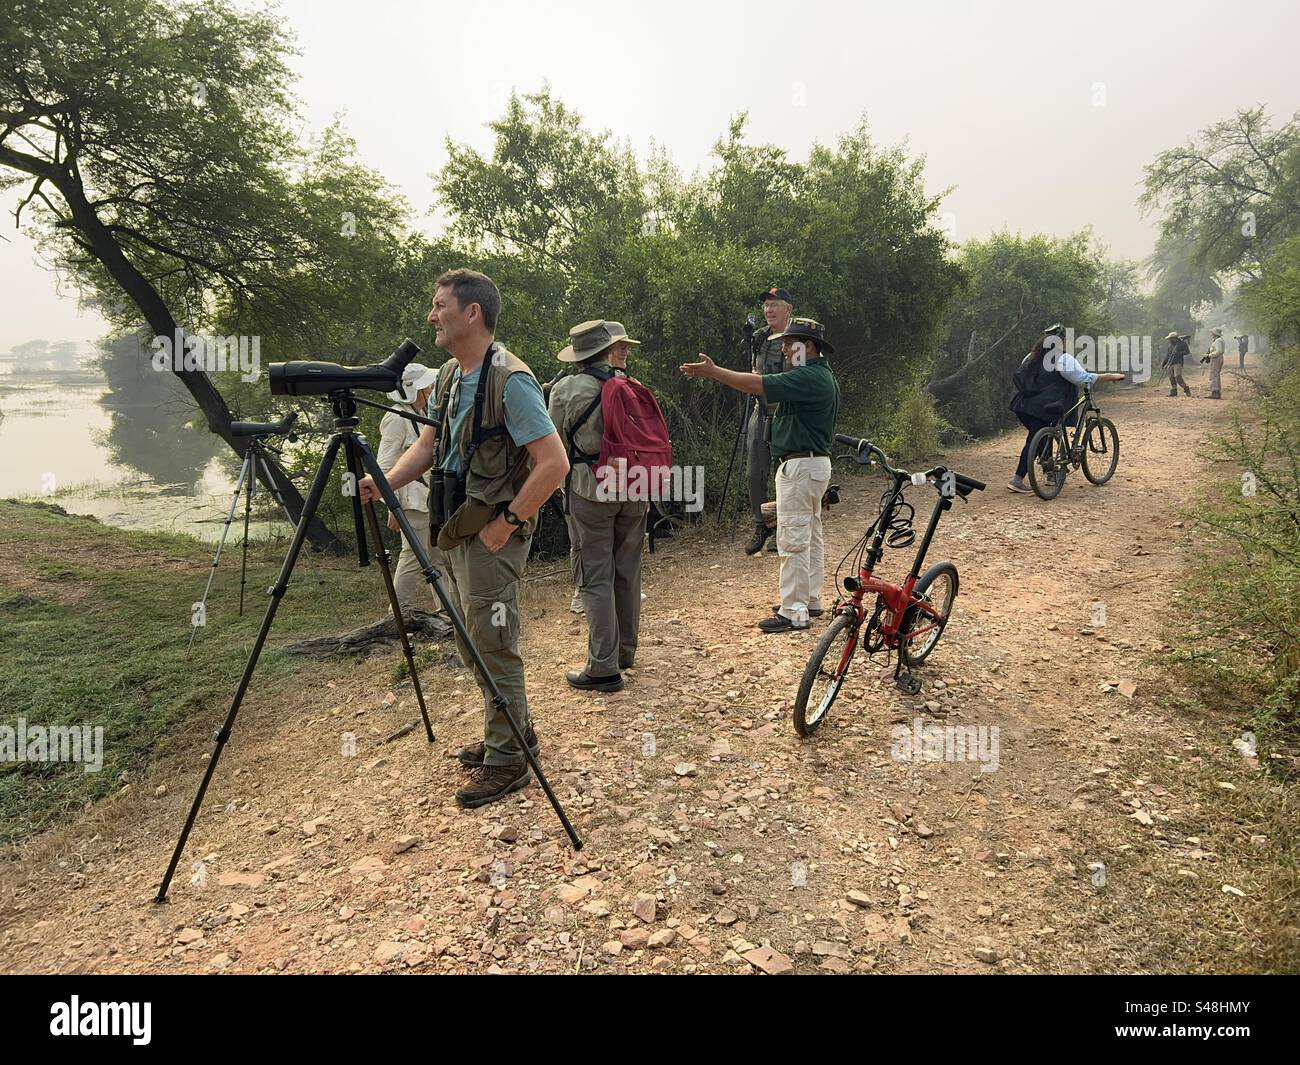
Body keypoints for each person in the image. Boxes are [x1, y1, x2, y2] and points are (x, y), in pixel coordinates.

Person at [358, 269, 569, 809]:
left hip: (490, 534)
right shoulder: (453, 374)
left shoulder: (510, 380)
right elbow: (428, 446)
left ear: (471, 313)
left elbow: (554, 464)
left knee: (493, 643)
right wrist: (384, 484)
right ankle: (515, 731)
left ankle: (508, 760)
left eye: (440, 305)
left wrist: (509, 524)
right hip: (455, 527)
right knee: (469, 637)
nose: (432, 315)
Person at [682, 317, 840, 632]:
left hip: (800, 466)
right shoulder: (817, 376)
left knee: (793, 536)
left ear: (807, 347)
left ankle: (793, 610)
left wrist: (715, 372)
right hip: (812, 464)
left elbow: (759, 386)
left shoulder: (810, 376)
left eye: (789, 343)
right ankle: (809, 599)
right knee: (809, 534)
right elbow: (769, 387)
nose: (782, 348)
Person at [548, 320, 649, 692]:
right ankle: (625, 651)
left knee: (595, 576)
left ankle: (603, 666)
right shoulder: (632, 387)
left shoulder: (566, 390)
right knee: (628, 570)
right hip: (637, 487)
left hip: (590, 488)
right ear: (606, 351)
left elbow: (553, 445)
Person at [1008, 324, 1124, 494]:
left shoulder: (1031, 356)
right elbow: (1083, 379)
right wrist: (1111, 376)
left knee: (1041, 436)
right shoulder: (1063, 359)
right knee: (1035, 439)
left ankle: (1050, 472)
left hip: (1023, 405)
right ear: (1061, 340)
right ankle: (1017, 479)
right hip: (1045, 406)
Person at [377, 362, 440, 611]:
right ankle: (397, 615)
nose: (432, 389)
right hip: (412, 502)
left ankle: (448, 613)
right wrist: (393, 506)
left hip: (428, 499)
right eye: (427, 386)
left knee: (438, 558)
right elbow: (384, 468)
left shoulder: (421, 414)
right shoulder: (395, 417)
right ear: (415, 389)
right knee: (413, 557)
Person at [743, 287, 795, 555]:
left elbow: (797, 379)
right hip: (759, 412)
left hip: (785, 414)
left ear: (789, 309)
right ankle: (761, 524)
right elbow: (755, 369)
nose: (769, 310)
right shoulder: (759, 337)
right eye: (766, 305)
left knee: (782, 473)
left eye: (775, 304)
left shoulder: (797, 339)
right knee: (755, 473)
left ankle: (782, 527)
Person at [1159, 330, 1191, 398]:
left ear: (1174, 338)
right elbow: (1167, 355)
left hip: (1178, 362)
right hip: (1170, 363)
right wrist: (1163, 363)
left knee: (1178, 377)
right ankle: (1174, 391)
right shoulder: (1170, 346)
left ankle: (1186, 390)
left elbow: (1187, 352)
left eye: (1171, 339)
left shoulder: (1182, 343)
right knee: (1171, 377)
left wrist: (1178, 353)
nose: (1169, 340)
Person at [1205, 327, 1226, 399]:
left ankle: (1215, 392)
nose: (1211, 334)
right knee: (1215, 374)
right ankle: (1216, 391)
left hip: (1216, 359)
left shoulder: (1218, 341)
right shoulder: (1218, 340)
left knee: (1214, 375)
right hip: (1217, 359)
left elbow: (1219, 351)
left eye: (1212, 333)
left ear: (1215, 334)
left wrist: (1209, 355)